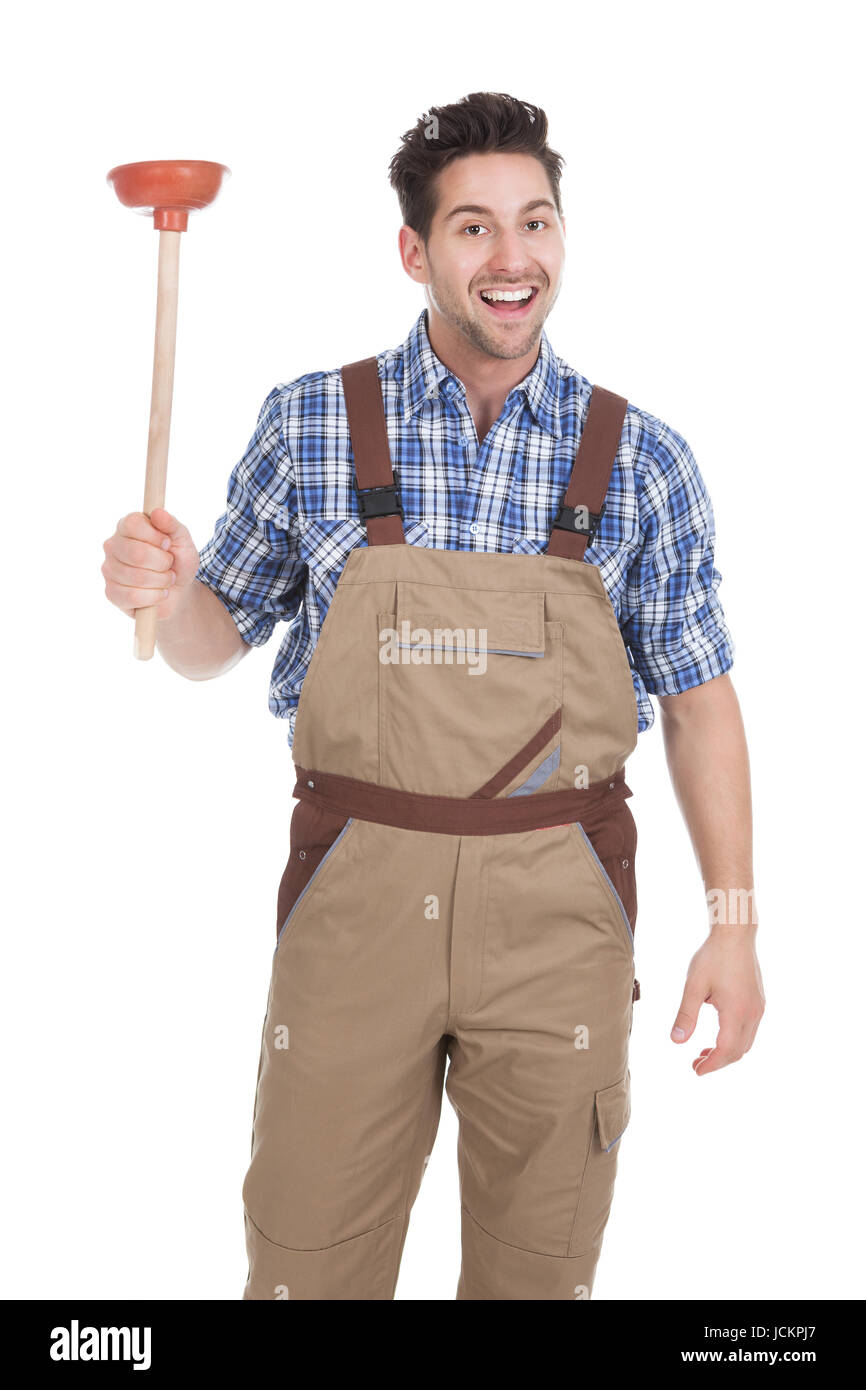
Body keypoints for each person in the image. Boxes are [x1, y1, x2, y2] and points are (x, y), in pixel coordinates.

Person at [101, 91, 765, 1301]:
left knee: (535, 1273)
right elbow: (209, 644)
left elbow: (699, 704)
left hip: (556, 919)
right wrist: (172, 583)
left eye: (535, 222)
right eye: (471, 228)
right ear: (414, 251)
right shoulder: (313, 421)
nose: (511, 259)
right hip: (353, 904)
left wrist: (733, 922)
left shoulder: (641, 458)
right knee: (305, 1265)